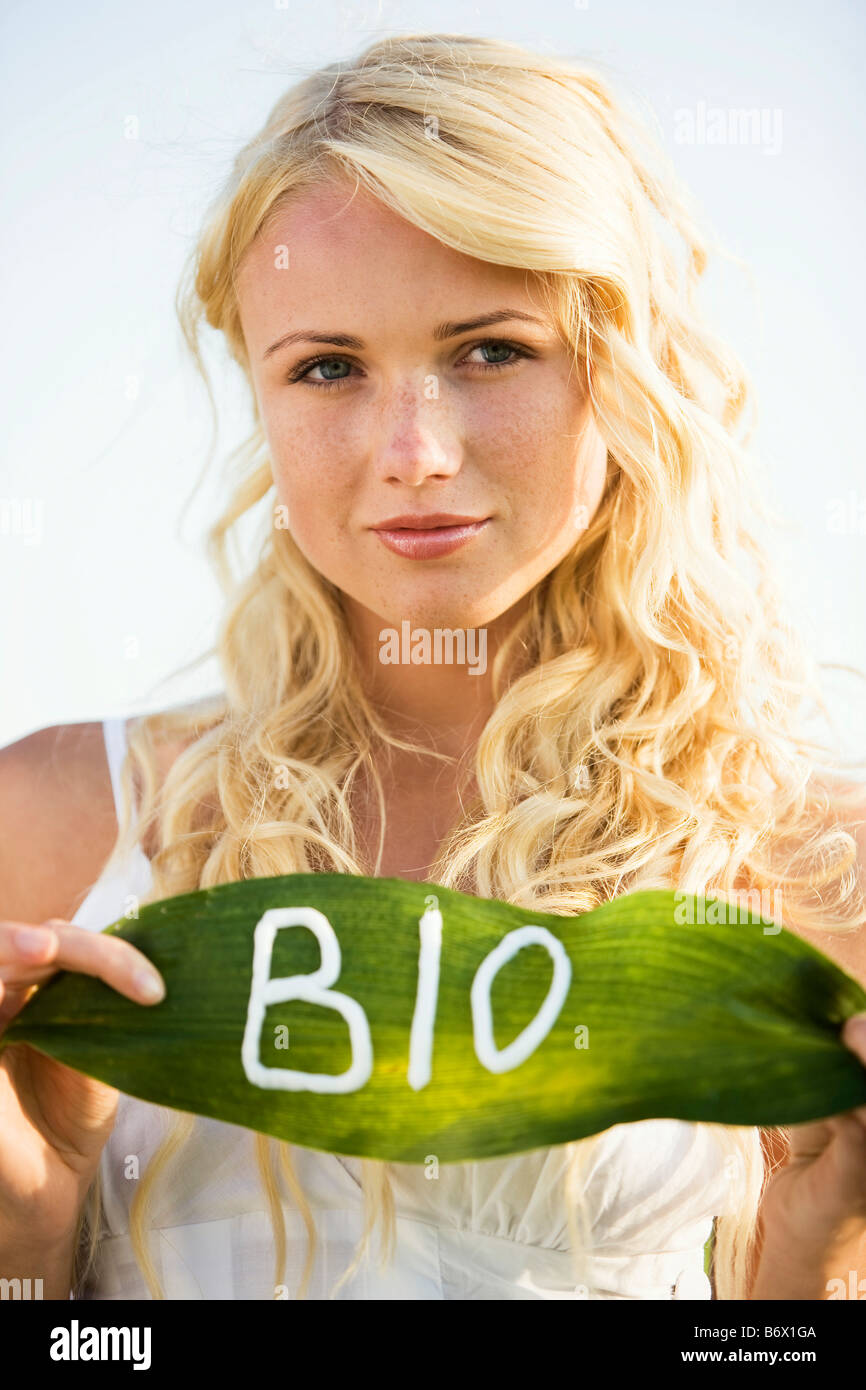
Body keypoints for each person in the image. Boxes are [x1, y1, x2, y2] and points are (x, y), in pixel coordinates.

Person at [2, 32, 866, 1303]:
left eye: (489, 349)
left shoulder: (812, 869)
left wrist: (808, 1275)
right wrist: (28, 1241)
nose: (411, 450)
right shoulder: (60, 829)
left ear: (622, 372)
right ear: (260, 389)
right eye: (328, 367)